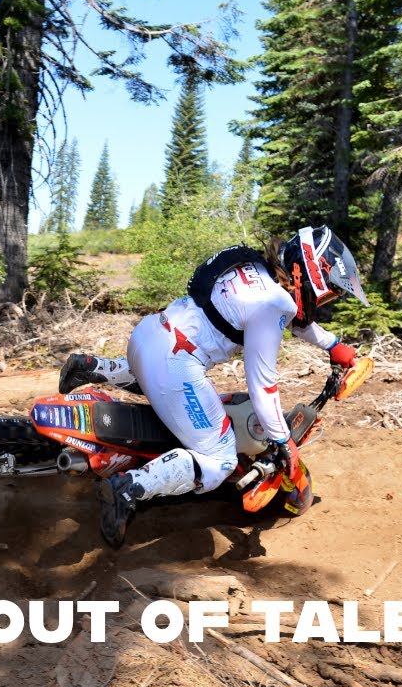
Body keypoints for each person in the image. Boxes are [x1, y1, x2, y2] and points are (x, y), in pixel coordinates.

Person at [59, 226, 367, 548]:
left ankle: (93, 368)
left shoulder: (256, 272)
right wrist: (284, 441)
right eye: (329, 291)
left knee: (159, 382)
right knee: (220, 459)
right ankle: (130, 487)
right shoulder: (274, 303)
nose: (328, 300)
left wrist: (334, 346)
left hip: (149, 335)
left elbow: (294, 320)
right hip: (174, 362)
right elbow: (263, 386)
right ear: (308, 274)